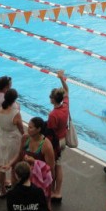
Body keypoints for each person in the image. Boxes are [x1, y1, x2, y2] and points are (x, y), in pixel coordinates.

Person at [45, 70, 69, 203]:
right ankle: (57, 191)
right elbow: (67, 90)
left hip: (56, 144)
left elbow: (50, 134)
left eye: (50, 97)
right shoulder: (65, 105)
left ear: (53, 100)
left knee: (53, 166)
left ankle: (54, 191)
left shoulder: (53, 115)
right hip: (63, 140)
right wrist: (61, 78)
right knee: (58, 166)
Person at [0, 89, 24, 197]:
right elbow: (21, 129)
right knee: (14, 167)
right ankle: (14, 190)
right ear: (14, 100)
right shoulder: (15, 113)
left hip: (2, 140)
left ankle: (2, 190)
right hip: (13, 141)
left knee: (1, 166)